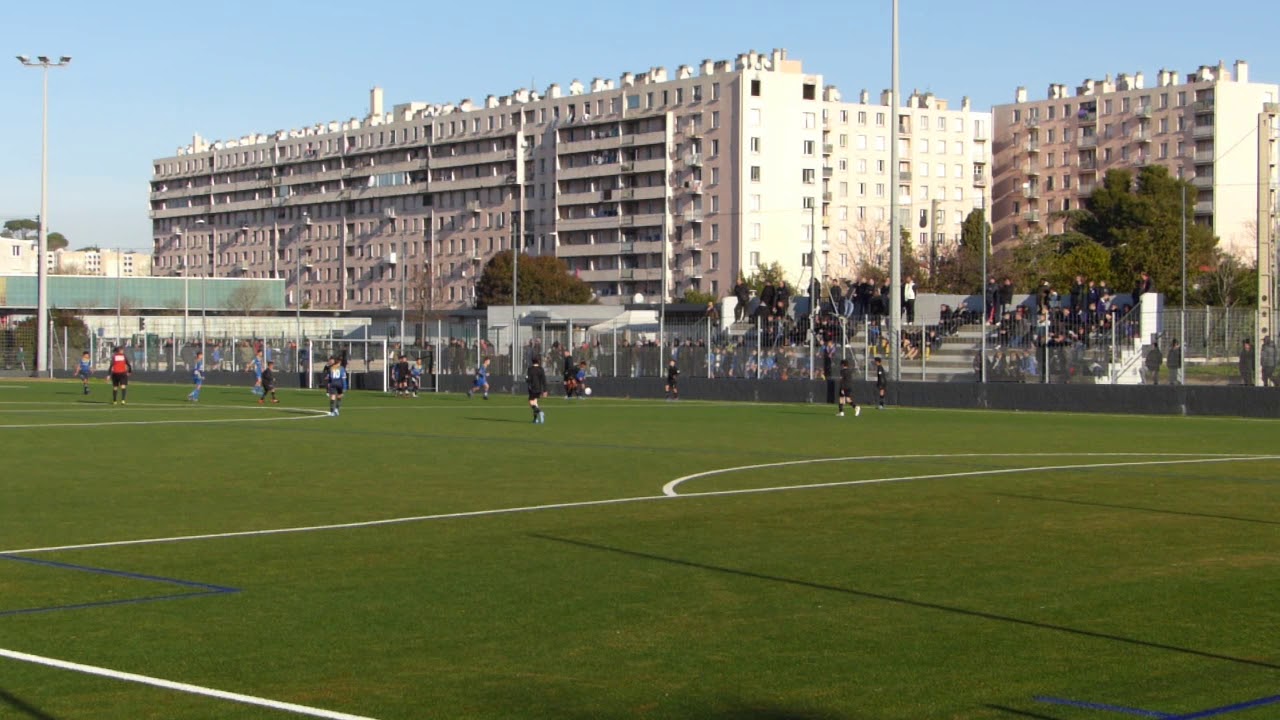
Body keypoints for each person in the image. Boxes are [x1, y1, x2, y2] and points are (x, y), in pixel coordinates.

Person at [527, 356, 547, 424]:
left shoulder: (530, 369)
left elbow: (528, 379)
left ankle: (540, 412)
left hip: (532, 388)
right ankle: (535, 419)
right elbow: (544, 380)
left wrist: (526, 379)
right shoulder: (541, 369)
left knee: (531, 403)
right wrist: (545, 390)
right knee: (535, 403)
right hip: (539, 388)